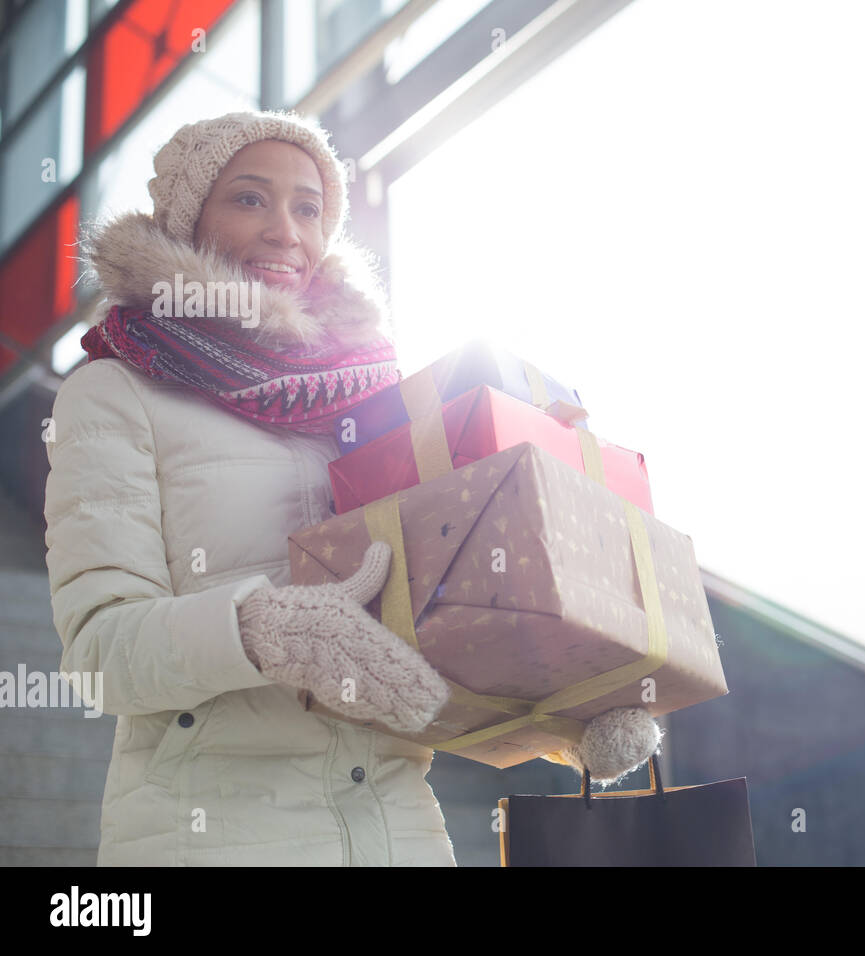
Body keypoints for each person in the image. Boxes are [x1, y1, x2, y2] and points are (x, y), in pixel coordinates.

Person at [44, 110, 661, 867]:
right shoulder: (115, 393)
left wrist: (572, 705)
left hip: (400, 835)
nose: (285, 230)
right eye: (248, 199)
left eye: (308, 207)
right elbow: (101, 651)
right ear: (187, 219)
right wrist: (262, 631)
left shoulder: (379, 403)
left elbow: (447, 623)